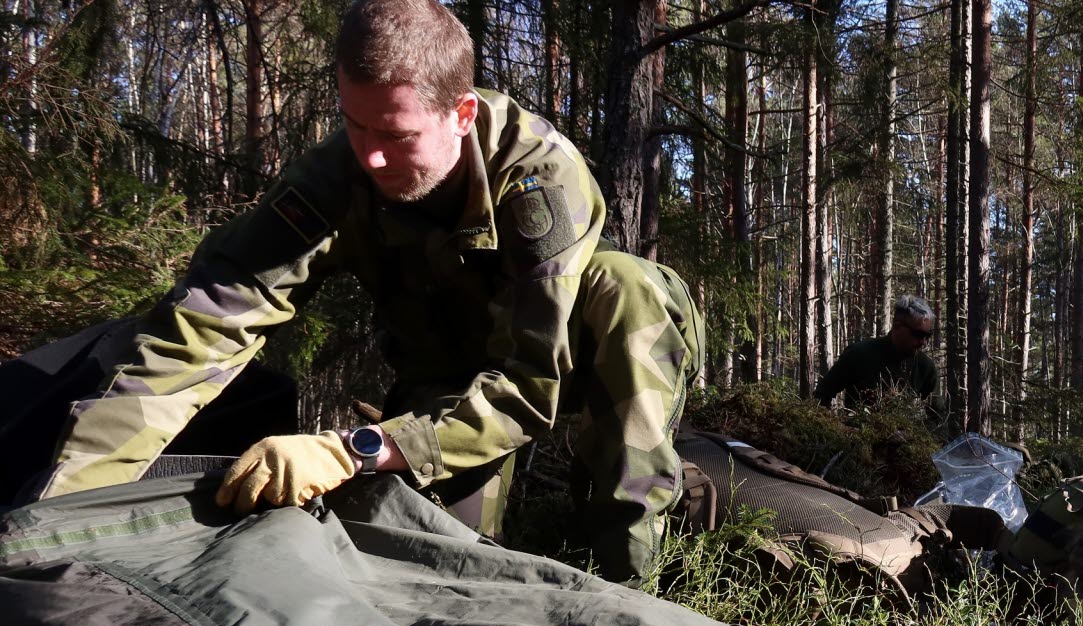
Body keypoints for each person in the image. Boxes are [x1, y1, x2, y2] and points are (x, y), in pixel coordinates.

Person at [26, 0, 703, 581]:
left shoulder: (539, 180)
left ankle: (629, 564)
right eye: (355, 125)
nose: (371, 157)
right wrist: (56, 513)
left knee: (627, 288)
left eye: (395, 134)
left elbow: (528, 388)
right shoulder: (336, 175)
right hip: (447, 379)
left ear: (462, 113)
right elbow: (202, 326)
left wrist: (348, 449)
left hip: (568, 356)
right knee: (434, 564)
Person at [813, 296, 940, 410]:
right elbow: (822, 395)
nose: (923, 342)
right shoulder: (859, 354)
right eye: (918, 334)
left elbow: (938, 416)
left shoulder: (925, 368)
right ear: (897, 326)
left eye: (927, 335)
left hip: (906, 436)